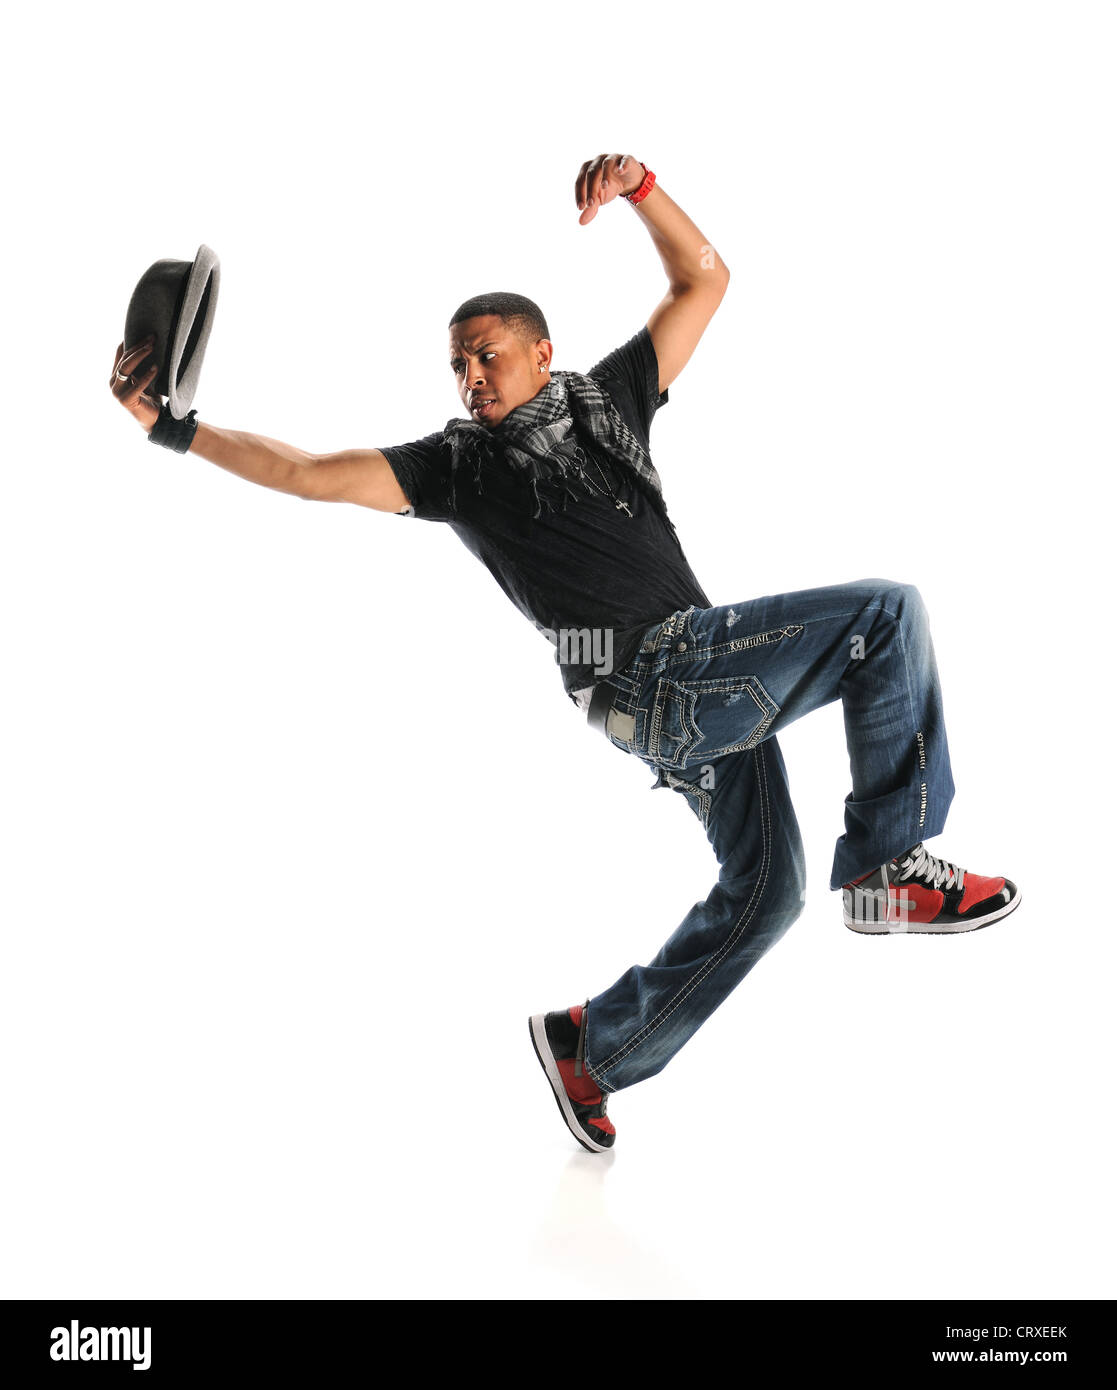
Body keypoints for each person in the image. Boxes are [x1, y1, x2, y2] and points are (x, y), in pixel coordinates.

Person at [111, 152, 1021, 1156]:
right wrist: (180, 432)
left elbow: (703, 280)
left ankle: (591, 1048)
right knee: (884, 616)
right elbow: (309, 472)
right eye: (457, 365)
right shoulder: (457, 466)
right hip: (652, 674)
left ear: (542, 353)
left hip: (690, 679)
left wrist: (642, 191)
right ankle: (890, 864)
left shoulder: (610, 400)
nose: (470, 378)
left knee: (767, 894)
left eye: (486, 356)